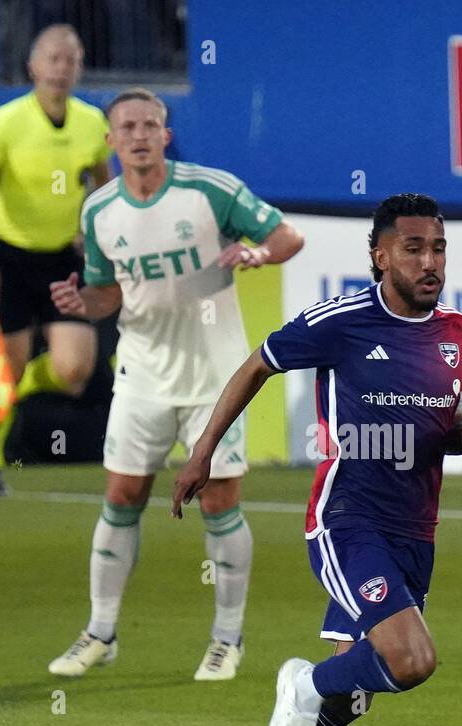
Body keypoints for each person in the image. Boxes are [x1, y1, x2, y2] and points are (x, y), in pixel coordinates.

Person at [173, 193, 462, 726]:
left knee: (352, 695)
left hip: (416, 533)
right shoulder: (343, 322)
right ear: (380, 255)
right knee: (411, 660)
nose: (429, 260)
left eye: (438, 248)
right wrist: (204, 449)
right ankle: (298, 683)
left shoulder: (456, 337)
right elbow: (256, 365)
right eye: (413, 248)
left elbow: (433, 439)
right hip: (347, 519)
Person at [46, 88, 304, 682]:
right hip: (142, 373)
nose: (138, 135)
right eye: (126, 126)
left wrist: (259, 251)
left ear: (165, 135)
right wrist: (81, 303)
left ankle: (227, 639)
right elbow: (107, 293)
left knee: (219, 501)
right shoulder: (99, 211)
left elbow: (290, 236)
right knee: (122, 495)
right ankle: (101, 631)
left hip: (218, 376)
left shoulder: (209, 190)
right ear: (109, 141)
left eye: (150, 125)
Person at [0, 23, 111, 496]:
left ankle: (10, 390)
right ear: (33, 67)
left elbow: (104, 188)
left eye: (71, 60)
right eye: (53, 59)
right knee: (10, 361)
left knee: (73, 371)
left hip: (62, 257)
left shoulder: (90, 123)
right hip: (8, 257)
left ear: (80, 68)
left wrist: (95, 235)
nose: (61, 69)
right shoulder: (6, 122)